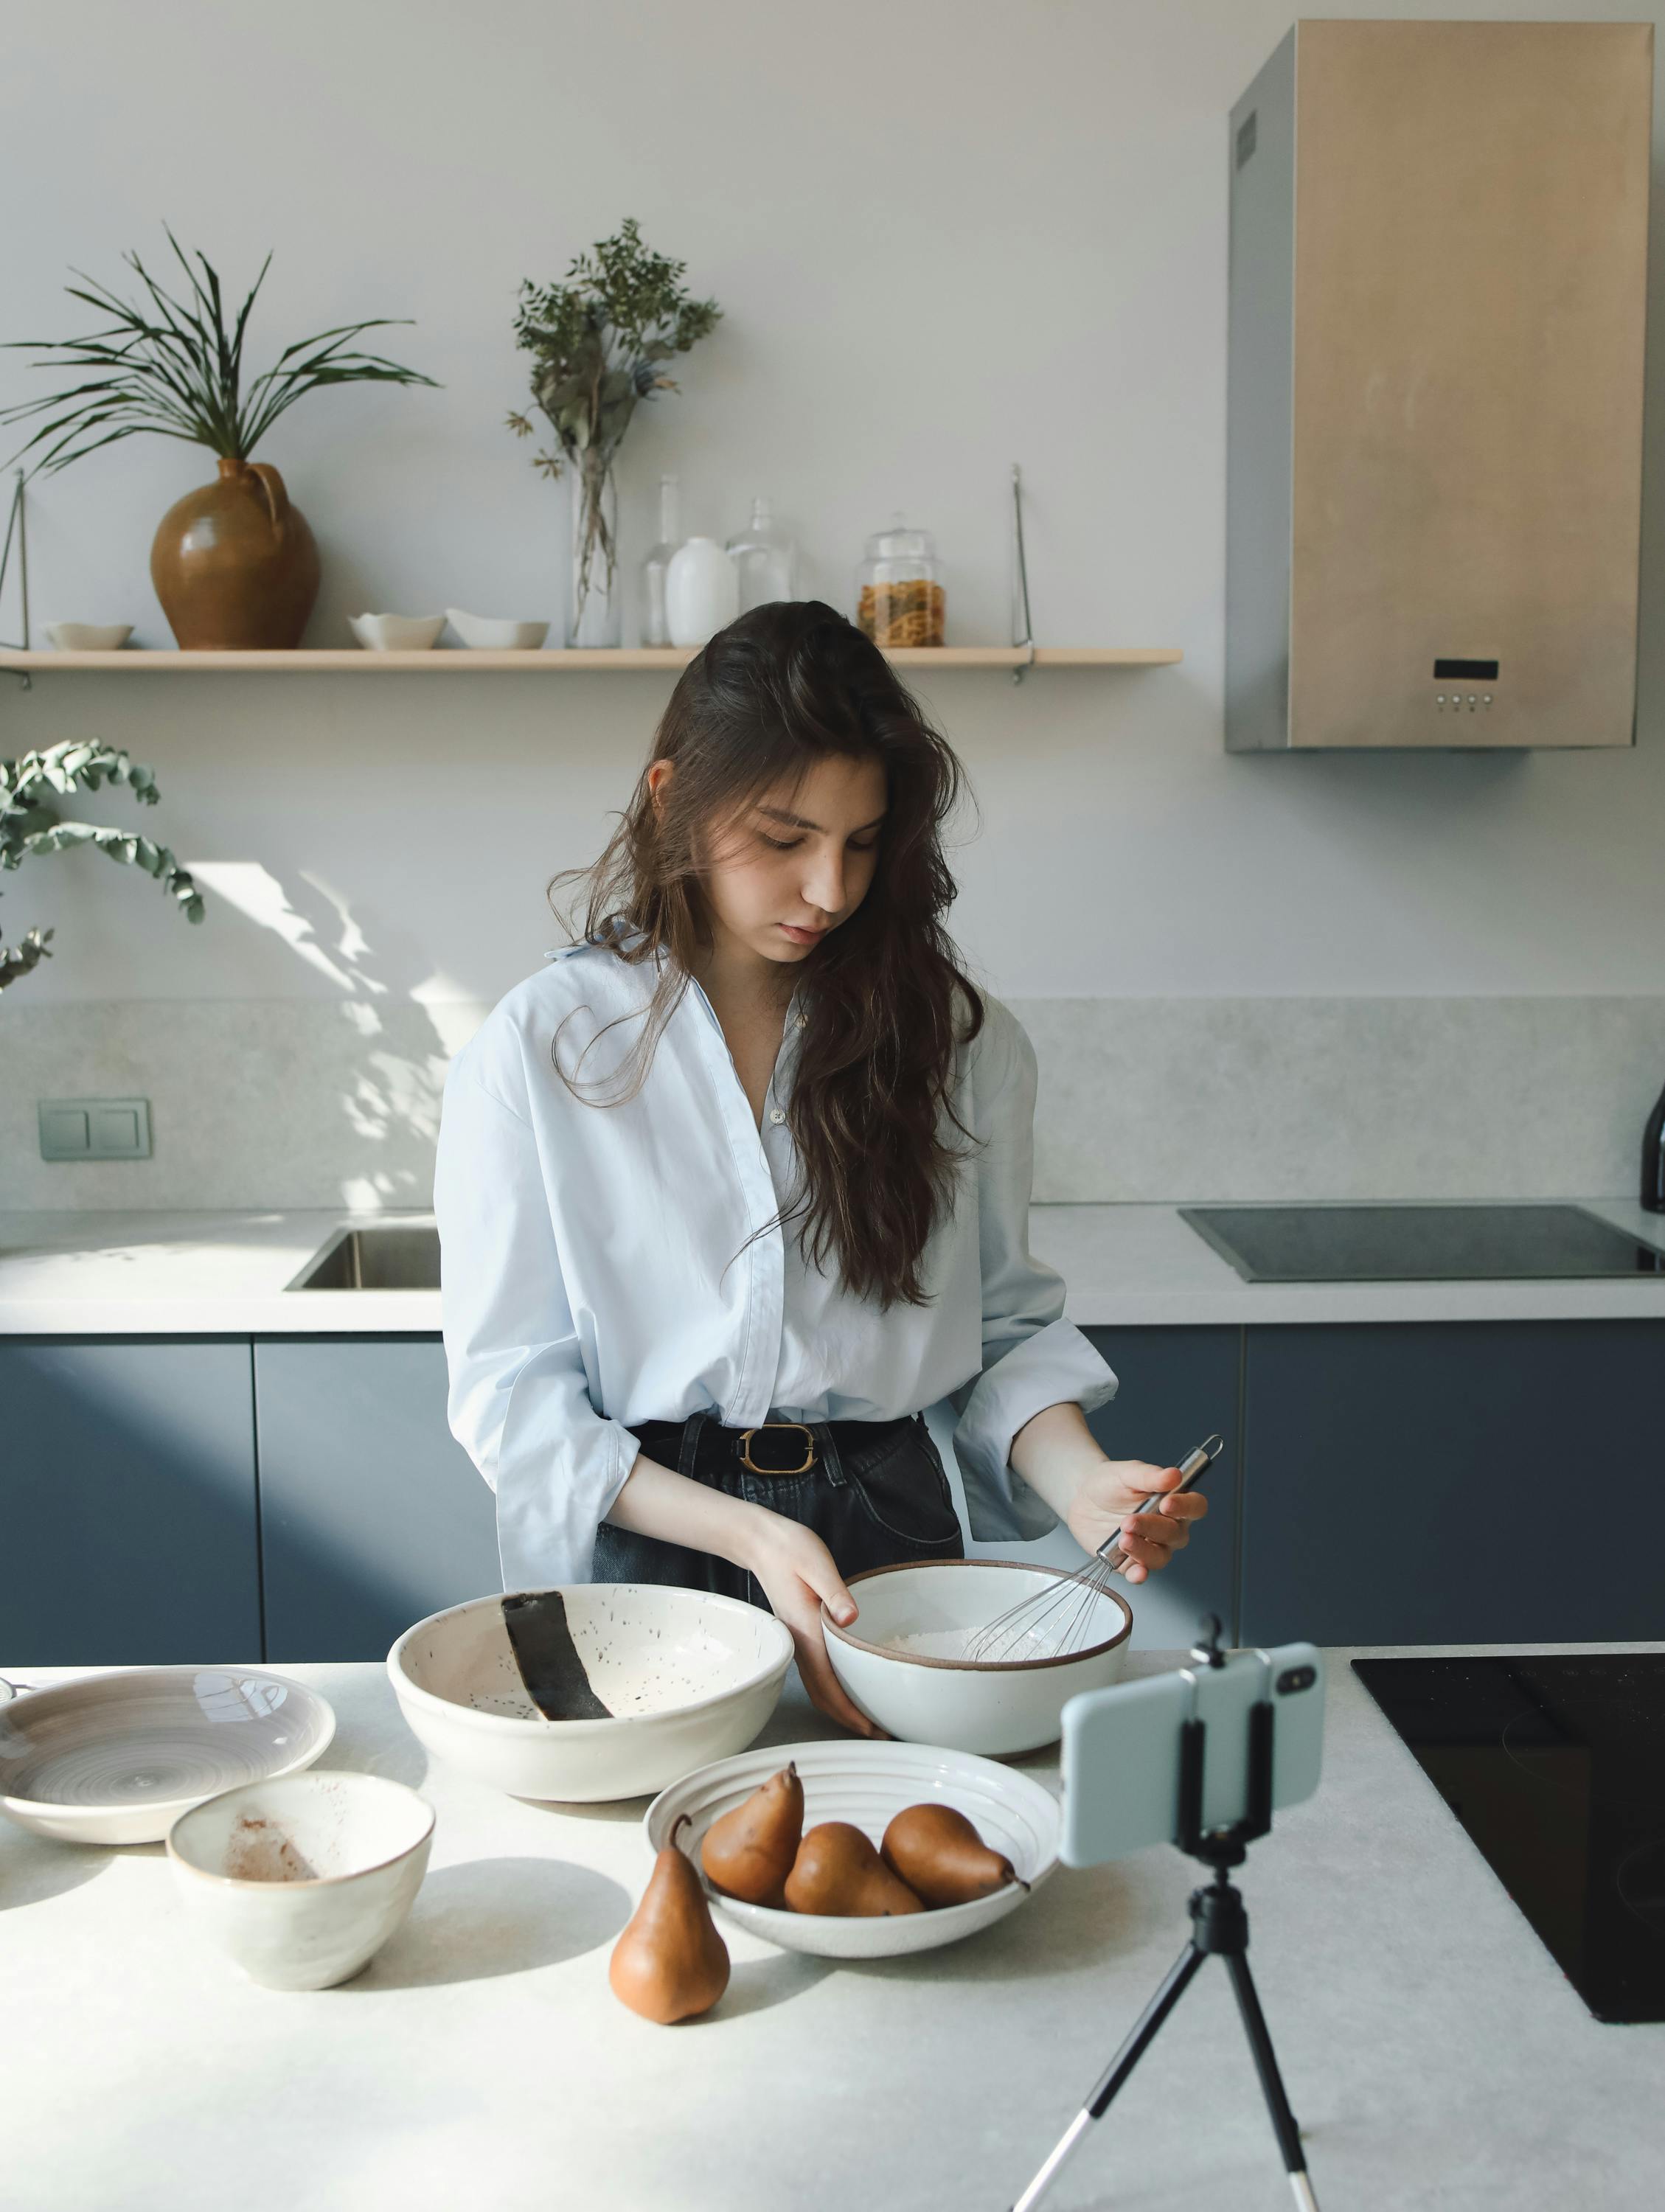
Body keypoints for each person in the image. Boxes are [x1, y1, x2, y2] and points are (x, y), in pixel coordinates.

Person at [434, 601, 1205, 1734]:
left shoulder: (953, 1041)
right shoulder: (544, 1044)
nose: (830, 892)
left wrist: (1081, 1484)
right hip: (649, 1540)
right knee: (667, 1874)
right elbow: (513, 1397)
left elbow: (999, 1333)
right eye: (785, 840)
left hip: (888, 1538)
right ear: (672, 803)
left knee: (920, 1851)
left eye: (860, 843)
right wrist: (748, 1530)